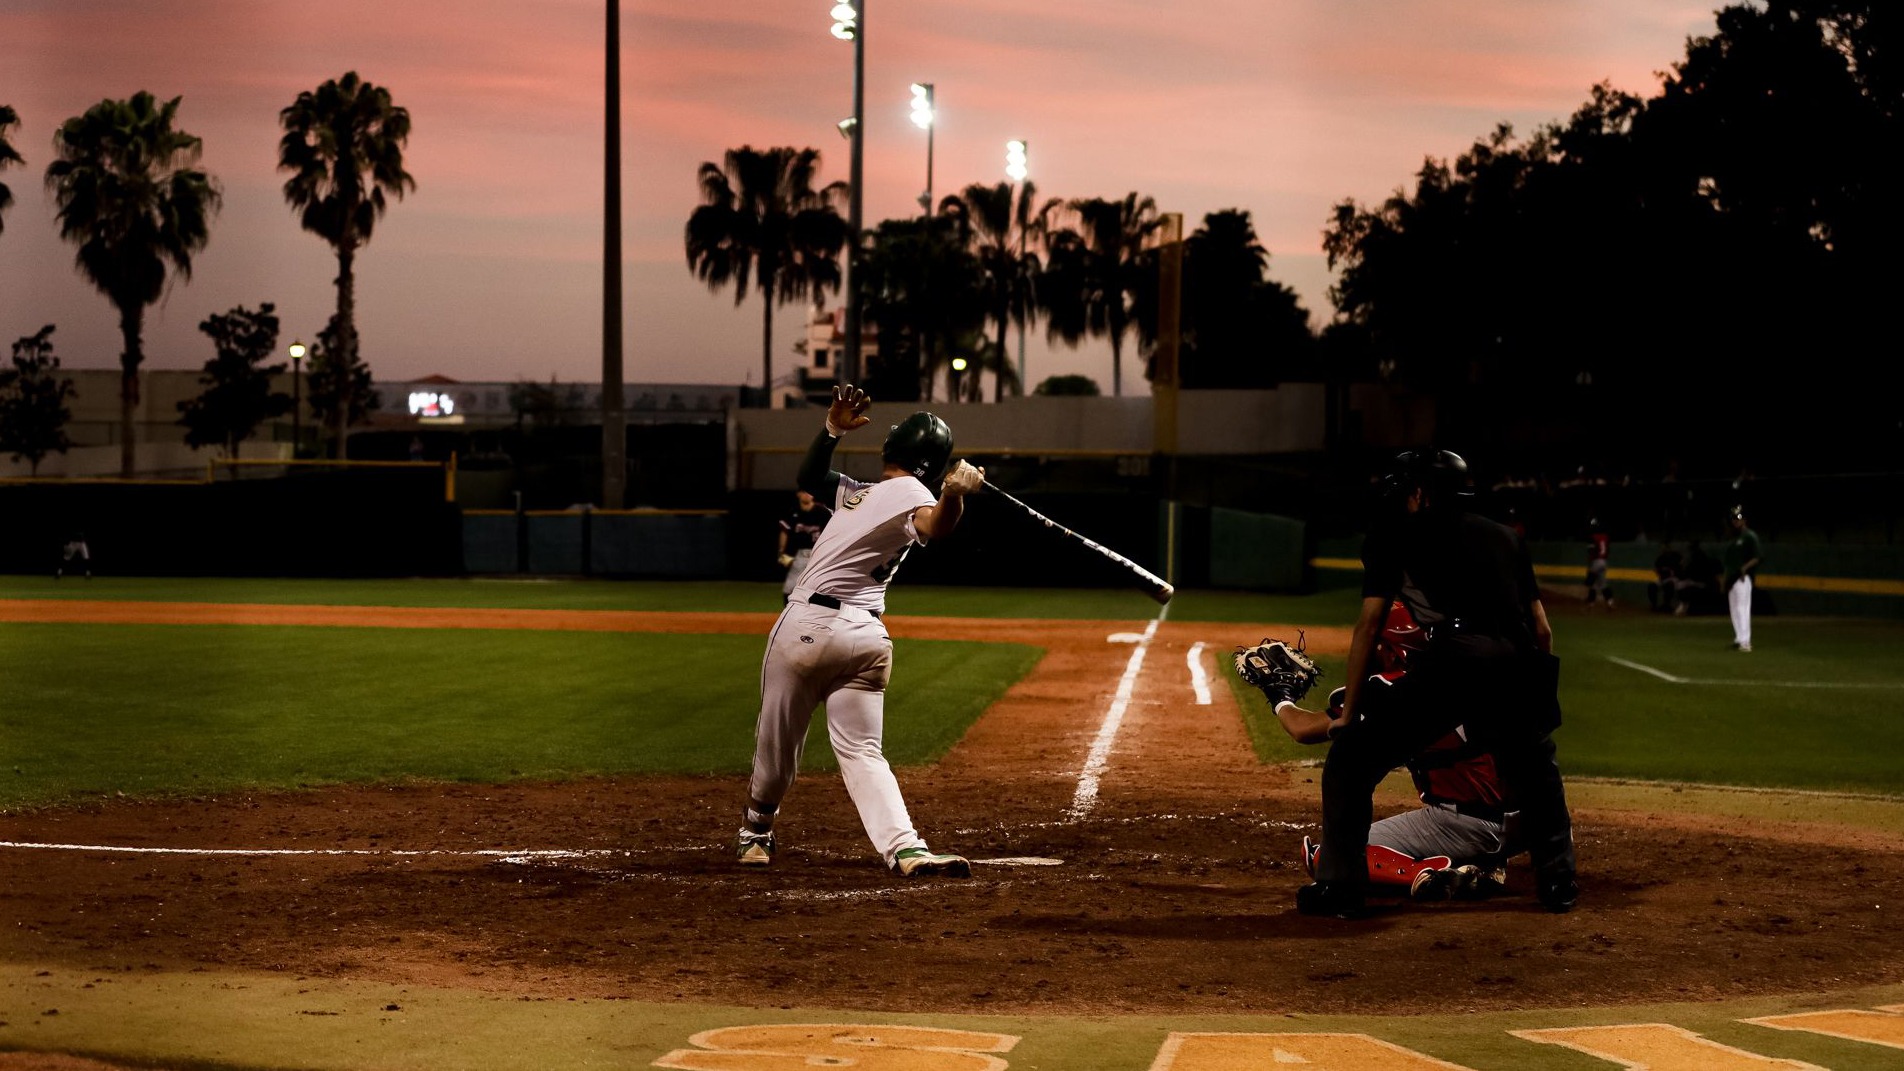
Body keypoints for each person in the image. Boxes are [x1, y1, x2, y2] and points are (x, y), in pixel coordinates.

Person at [1302, 448, 1578, 918]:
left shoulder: (1393, 535)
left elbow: (1370, 626)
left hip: (1456, 656)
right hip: (1516, 658)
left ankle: (1339, 888)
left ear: (1420, 492)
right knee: (1535, 771)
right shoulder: (1505, 538)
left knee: (1352, 761)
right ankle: (1559, 883)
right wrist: (1537, 691)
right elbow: (1541, 627)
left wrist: (1349, 714)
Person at [736, 383, 983, 878]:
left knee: (778, 748)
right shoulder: (862, 492)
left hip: (807, 626)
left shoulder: (908, 493)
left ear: (893, 448)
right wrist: (951, 494)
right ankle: (906, 848)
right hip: (866, 639)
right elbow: (811, 478)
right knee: (864, 752)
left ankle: (756, 832)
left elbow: (935, 524)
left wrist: (952, 498)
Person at [1267, 600, 1520, 904]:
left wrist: (1279, 696)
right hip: (1534, 819)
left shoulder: (1390, 689)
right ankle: (1485, 867)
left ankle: (1428, 874)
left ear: (1391, 648)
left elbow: (1303, 729)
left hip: (1469, 824)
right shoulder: (1472, 668)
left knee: (1332, 856)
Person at [776, 489, 832, 604]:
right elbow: (784, 531)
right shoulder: (793, 512)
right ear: (798, 494)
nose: (808, 494)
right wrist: (782, 551)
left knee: (823, 588)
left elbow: (833, 533)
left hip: (819, 556)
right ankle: (788, 613)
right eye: (804, 492)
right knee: (789, 587)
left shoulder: (823, 511)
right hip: (800, 555)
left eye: (810, 491)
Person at [1723, 504, 1762, 652]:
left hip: (1742, 578)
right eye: (1734, 519)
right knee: (1734, 608)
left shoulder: (1749, 536)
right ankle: (1739, 638)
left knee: (1742, 608)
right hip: (1732, 578)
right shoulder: (1733, 538)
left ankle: (1746, 641)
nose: (1736, 522)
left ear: (1744, 520)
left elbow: (1757, 557)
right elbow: (1728, 561)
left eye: (1738, 519)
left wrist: (1744, 569)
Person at [1584, 517, 1613, 610]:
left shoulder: (1593, 537)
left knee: (1589, 581)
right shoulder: (1605, 537)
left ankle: (1590, 601)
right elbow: (1607, 550)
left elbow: (1591, 552)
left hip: (1596, 561)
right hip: (1604, 561)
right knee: (1601, 583)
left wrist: (1589, 565)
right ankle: (1609, 602)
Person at [1648, 542, 1685, 614]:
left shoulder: (1676, 556)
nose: (1664, 549)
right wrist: (1660, 572)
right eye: (1663, 548)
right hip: (1662, 578)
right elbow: (1657, 569)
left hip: (1673, 578)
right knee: (1651, 586)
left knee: (1669, 585)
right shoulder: (1660, 558)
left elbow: (1681, 566)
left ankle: (1666, 605)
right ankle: (1654, 605)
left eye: (1666, 547)